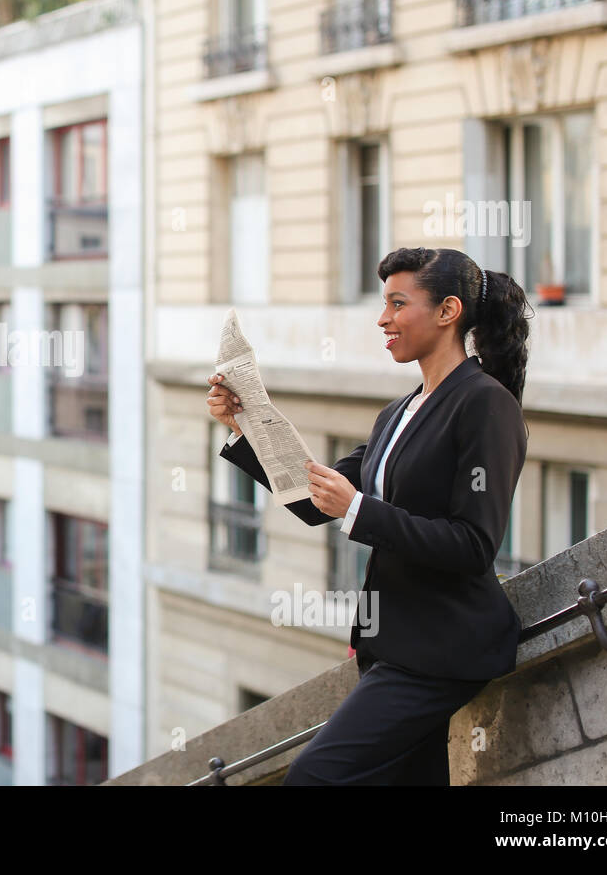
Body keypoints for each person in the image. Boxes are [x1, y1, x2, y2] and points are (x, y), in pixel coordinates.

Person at [208, 247, 531, 785]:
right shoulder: (398, 413)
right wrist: (244, 427)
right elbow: (315, 501)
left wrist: (358, 509)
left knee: (314, 775)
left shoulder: (485, 404)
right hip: (391, 645)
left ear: (448, 311)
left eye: (398, 303)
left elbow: (474, 544)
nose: (383, 319)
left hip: (443, 650)